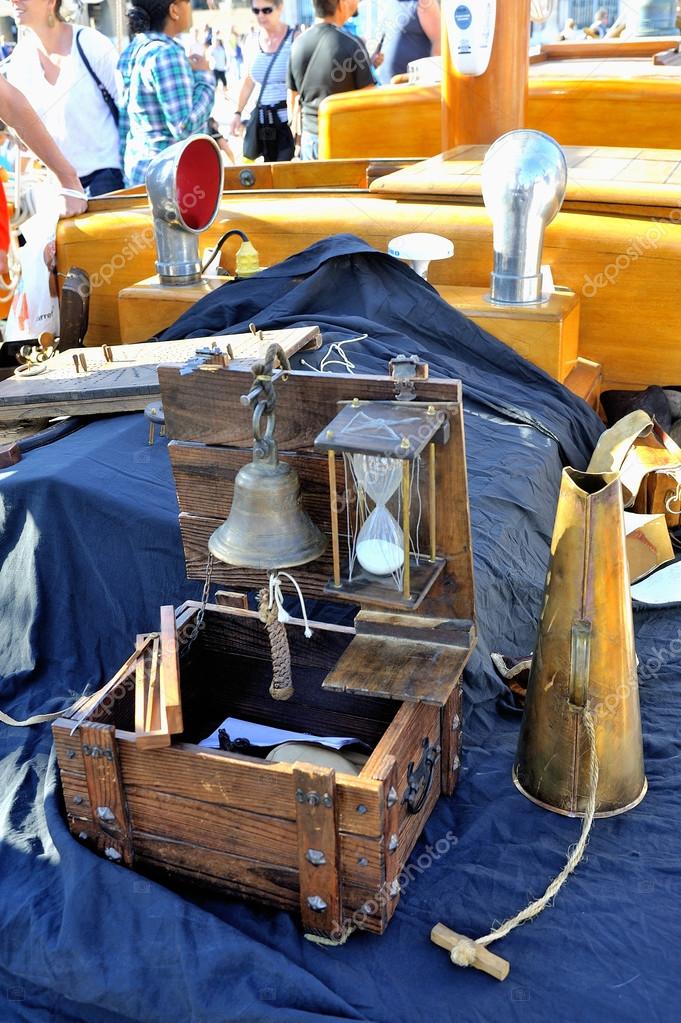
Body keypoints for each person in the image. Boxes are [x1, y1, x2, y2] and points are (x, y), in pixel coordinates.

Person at [5, 0, 122, 197]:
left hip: (107, 180)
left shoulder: (90, 43)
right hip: (56, 186)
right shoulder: (20, 60)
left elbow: (128, 108)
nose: (14, 1)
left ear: (51, 2)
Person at [117, 0, 216, 187]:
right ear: (174, 10)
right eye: (187, 2)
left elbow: (124, 126)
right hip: (169, 181)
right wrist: (204, 78)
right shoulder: (167, 54)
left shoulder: (132, 51)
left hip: (138, 174)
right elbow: (184, 127)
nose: (191, 8)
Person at [287, 0, 375, 161]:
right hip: (343, 141)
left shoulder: (297, 44)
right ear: (340, 4)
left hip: (309, 140)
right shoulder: (352, 44)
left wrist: (298, 140)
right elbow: (369, 100)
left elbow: (292, 99)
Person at [229, 0, 296, 163]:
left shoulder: (294, 38)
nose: (261, 15)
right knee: (267, 174)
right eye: (256, 11)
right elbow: (248, 80)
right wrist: (237, 113)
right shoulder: (252, 41)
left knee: (284, 175)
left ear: (280, 8)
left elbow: (301, 86)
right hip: (263, 123)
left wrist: (298, 126)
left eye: (266, 10)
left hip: (287, 123)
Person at [376, 0, 440, 85]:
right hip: (385, 86)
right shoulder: (388, 3)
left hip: (414, 88)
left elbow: (439, 43)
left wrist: (432, 79)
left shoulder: (424, 2)